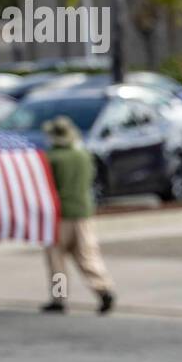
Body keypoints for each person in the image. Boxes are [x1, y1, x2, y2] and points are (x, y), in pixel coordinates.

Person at [41, 115, 115, 315]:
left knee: (57, 260)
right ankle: (103, 289)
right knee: (87, 256)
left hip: (59, 215)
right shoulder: (83, 155)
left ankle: (59, 298)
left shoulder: (51, 158)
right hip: (83, 211)